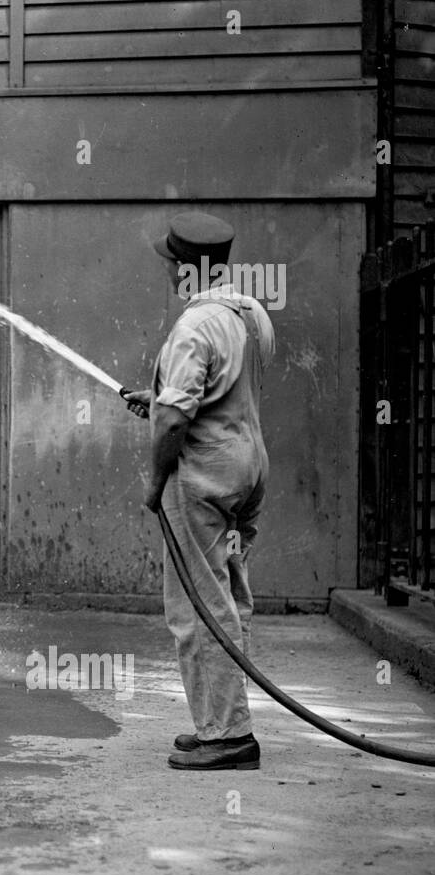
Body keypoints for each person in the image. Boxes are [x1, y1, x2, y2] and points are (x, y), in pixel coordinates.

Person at [122, 212, 275, 771]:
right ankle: (222, 720)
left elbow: (173, 425)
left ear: (187, 271)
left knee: (197, 606)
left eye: (170, 264)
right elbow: (222, 389)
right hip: (248, 473)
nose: (167, 272)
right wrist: (160, 394)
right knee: (231, 597)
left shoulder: (192, 328)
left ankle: (228, 736)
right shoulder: (252, 314)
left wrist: (156, 479)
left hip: (204, 480)